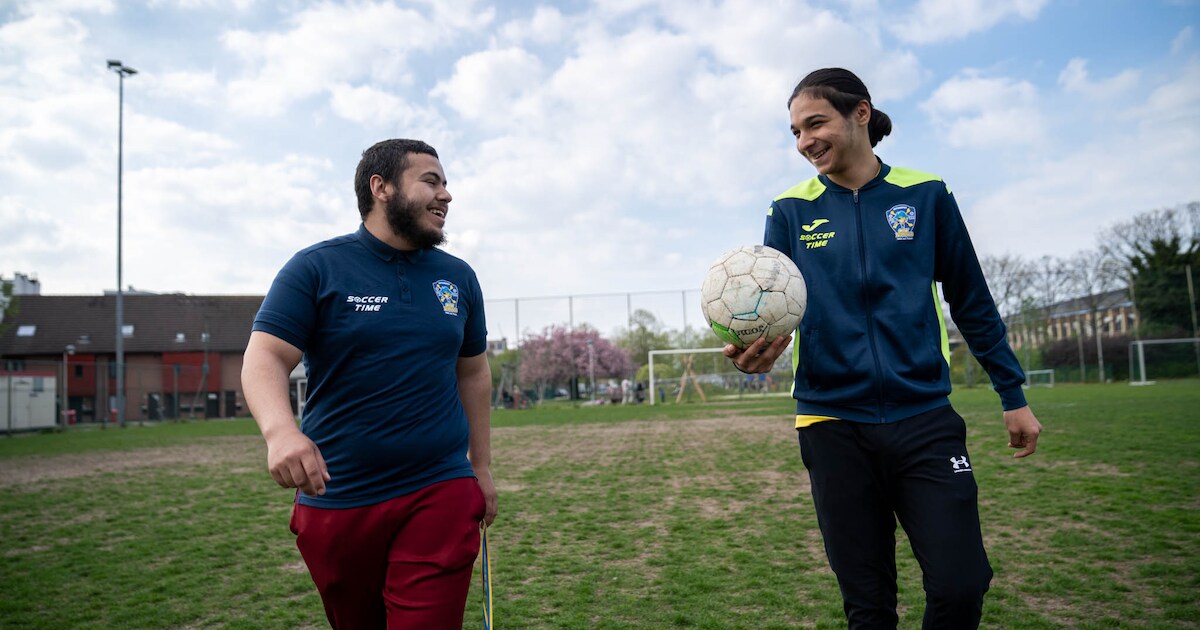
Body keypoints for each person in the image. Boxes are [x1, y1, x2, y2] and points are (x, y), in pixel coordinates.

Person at [725, 68, 1043, 629]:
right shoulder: (789, 210)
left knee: (962, 583)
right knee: (868, 609)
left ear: (861, 114)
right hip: (832, 424)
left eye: (815, 123)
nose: (805, 142)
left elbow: (970, 298)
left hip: (924, 417)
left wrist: (1011, 392)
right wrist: (760, 349)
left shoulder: (925, 194)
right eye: (795, 132)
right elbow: (775, 305)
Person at [242, 138, 498, 629]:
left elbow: (473, 372)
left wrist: (480, 466)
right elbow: (265, 356)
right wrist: (280, 432)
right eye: (431, 181)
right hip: (338, 499)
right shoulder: (315, 268)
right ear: (380, 188)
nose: (446, 194)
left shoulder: (458, 277)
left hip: (439, 487)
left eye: (445, 182)